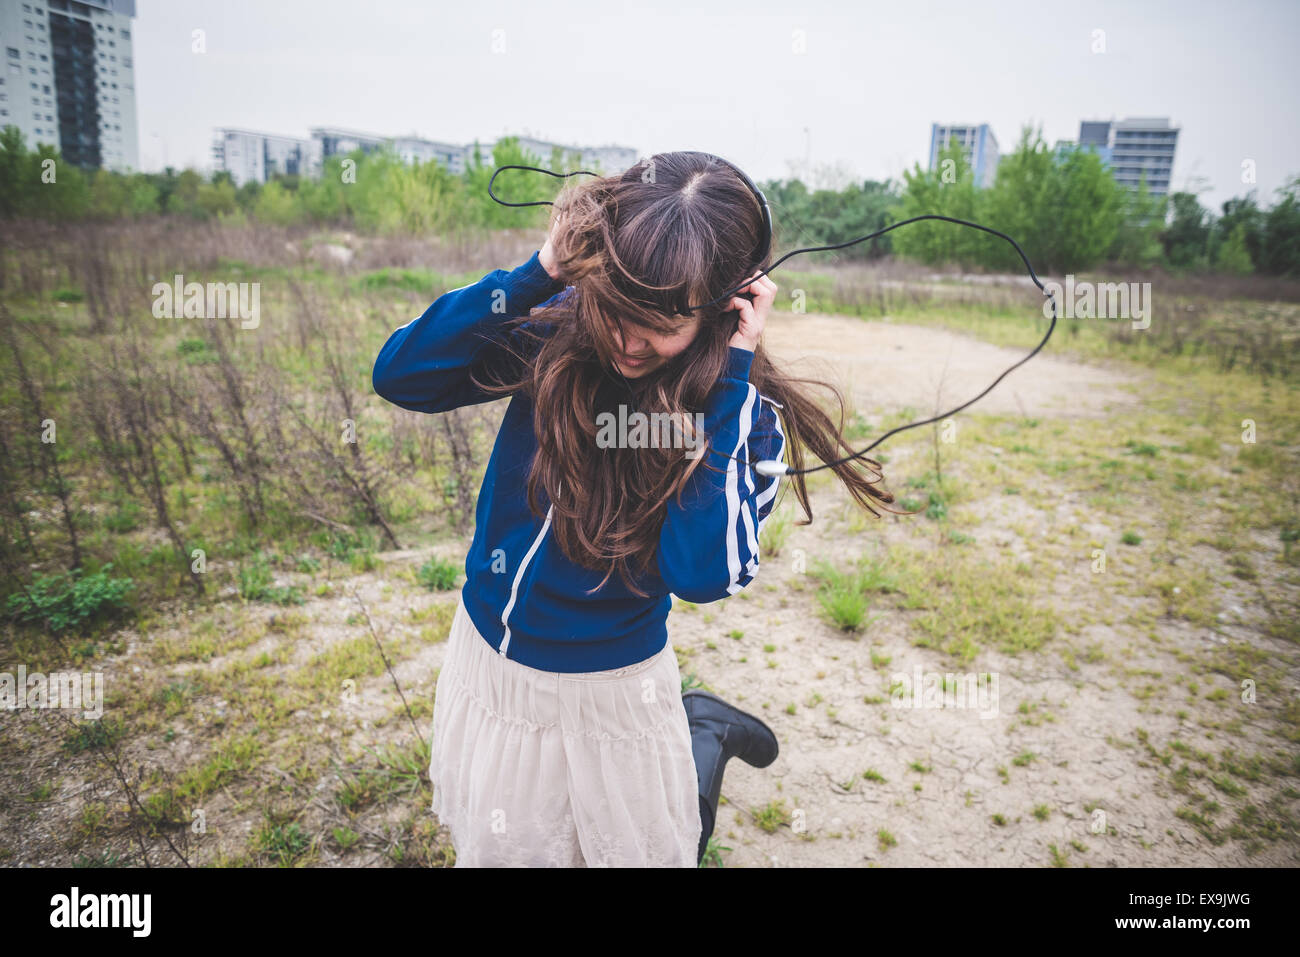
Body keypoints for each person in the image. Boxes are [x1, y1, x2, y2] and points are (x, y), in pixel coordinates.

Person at [372, 151, 895, 867]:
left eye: (657, 323)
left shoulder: (743, 417)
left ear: (729, 306)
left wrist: (732, 386)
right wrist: (539, 272)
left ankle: (698, 741)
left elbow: (700, 572)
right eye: (617, 309)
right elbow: (401, 375)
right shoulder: (558, 323)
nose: (626, 339)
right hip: (490, 661)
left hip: (607, 689)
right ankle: (700, 731)